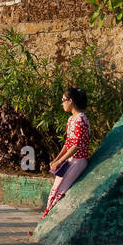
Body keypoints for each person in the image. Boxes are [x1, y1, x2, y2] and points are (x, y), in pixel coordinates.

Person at [44, 87, 92, 217]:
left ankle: (47, 222)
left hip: (78, 161)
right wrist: (57, 159)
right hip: (70, 161)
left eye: (63, 100)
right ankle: (43, 223)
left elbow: (76, 145)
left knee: (60, 192)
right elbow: (68, 143)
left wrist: (60, 161)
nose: (62, 103)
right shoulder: (71, 120)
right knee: (54, 191)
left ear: (70, 101)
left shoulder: (81, 119)